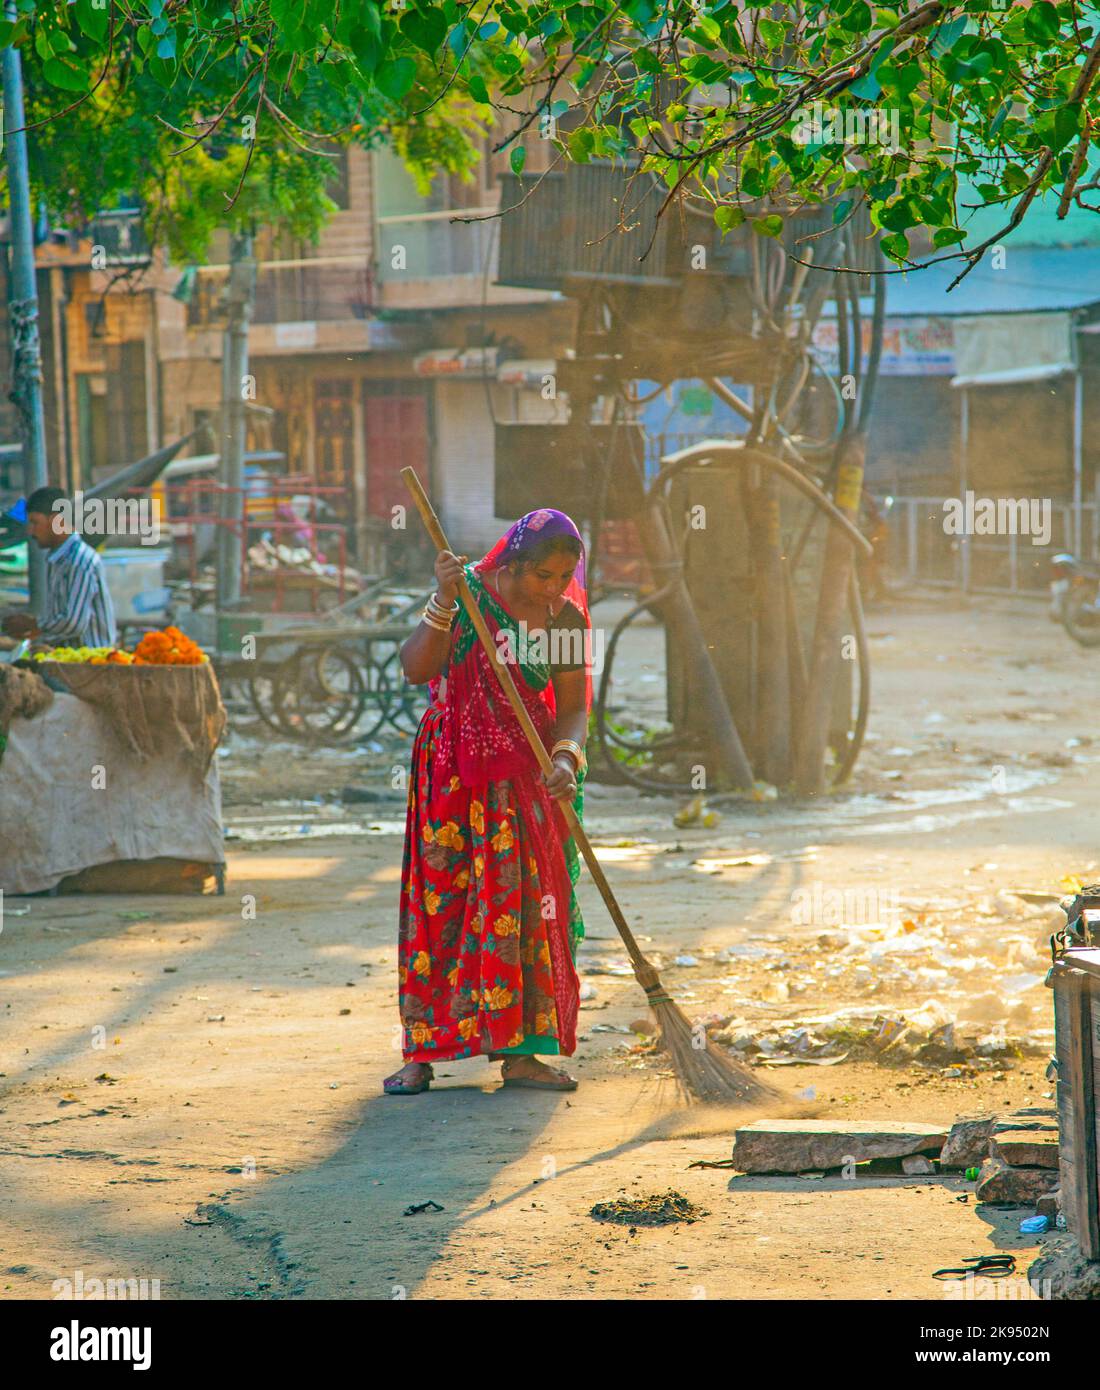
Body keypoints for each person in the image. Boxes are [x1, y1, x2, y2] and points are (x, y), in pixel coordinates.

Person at [384, 509, 592, 1096]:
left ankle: (522, 1054)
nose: (552, 590)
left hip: (527, 778)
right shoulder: (468, 593)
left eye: (562, 577)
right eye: (542, 576)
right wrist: (443, 600)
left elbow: (573, 707)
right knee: (440, 907)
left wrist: (565, 760)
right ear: (513, 562)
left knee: (524, 910)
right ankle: (423, 1050)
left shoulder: (567, 618)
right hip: (450, 775)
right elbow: (415, 667)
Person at [0, 486, 117, 649]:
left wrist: (34, 624)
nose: (31, 531)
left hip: (89, 664)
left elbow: (73, 623)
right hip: (66, 658)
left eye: (35, 522)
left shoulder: (79, 561)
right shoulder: (58, 560)